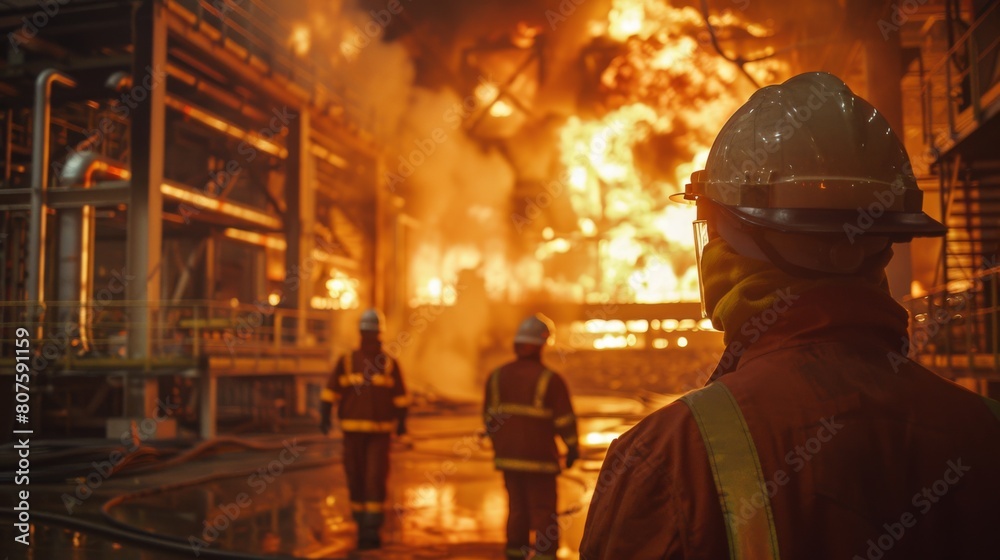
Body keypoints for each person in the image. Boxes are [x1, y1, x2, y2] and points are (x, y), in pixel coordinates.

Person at [579, 72, 1000, 559]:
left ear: (728, 241)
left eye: (714, 228)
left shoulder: (669, 459)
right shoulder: (985, 431)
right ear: (882, 245)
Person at [484, 314, 579, 560]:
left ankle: (515, 555)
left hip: (508, 460)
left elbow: (489, 419)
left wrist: (501, 445)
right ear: (541, 345)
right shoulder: (550, 379)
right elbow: (564, 421)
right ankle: (545, 556)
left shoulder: (496, 376)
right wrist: (572, 448)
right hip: (540, 461)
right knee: (543, 511)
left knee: (517, 510)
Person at [320, 308, 408, 550]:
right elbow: (330, 392)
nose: (370, 337)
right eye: (368, 333)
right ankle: (362, 524)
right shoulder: (347, 361)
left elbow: (401, 398)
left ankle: (370, 528)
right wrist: (324, 414)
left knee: (372, 478)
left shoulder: (388, 363)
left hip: (378, 435)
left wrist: (402, 422)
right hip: (355, 433)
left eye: (372, 333)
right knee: (358, 477)